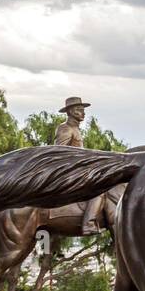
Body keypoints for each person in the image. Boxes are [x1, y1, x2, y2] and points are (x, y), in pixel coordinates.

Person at [54, 96, 102, 234]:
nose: (83, 112)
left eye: (83, 110)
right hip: (69, 173)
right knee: (99, 190)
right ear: (69, 112)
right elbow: (59, 153)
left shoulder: (76, 129)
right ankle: (89, 223)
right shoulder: (66, 129)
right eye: (78, 110)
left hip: (78, 171)